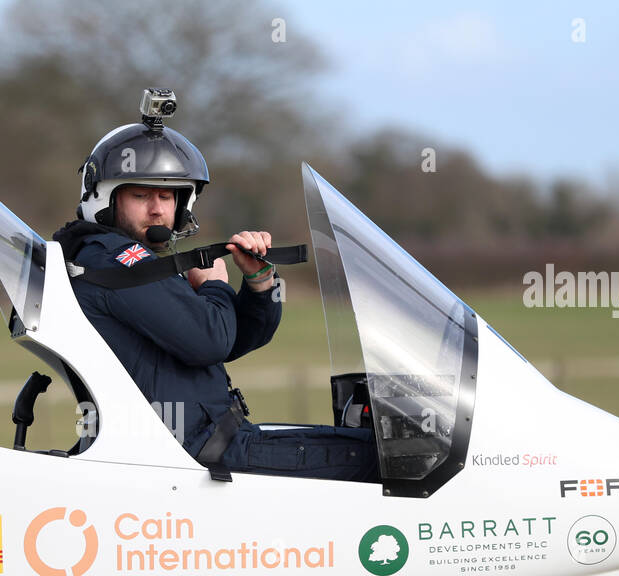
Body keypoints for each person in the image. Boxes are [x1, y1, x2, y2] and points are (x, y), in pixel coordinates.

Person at [53, 96, 379, 483]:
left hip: (204, 443)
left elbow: (231, 341)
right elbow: (210, 340)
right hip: (196, 453)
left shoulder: (118, 260)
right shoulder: (120, 262)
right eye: (141, 195)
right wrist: (215, 287)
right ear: (106, 200)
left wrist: (258, 282)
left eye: (167, 195)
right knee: (377, 458)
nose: (157, 209)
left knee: (364, 445)